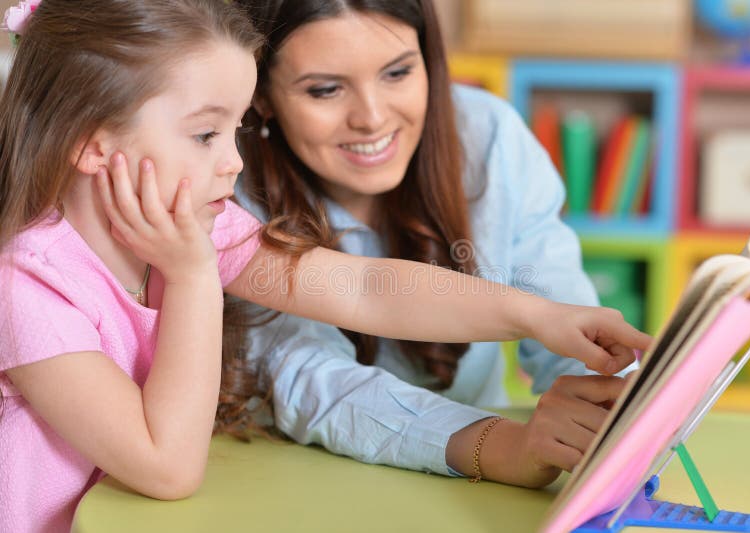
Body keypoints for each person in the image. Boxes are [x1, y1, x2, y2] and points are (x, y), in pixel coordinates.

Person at [0, 1, 649, 531]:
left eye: (233, 130)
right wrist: (195, 277)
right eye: (205, 135)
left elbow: (364, 286)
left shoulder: (199, 224)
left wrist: (539, 313)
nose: (232, 161)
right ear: (91, 144)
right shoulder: (28, 289)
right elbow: (167, 466)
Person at [228, 0, 646, 490]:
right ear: (260, 95)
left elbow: (567, 316)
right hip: (299, 478)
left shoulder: (490, 137)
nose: (372, 117)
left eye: (398, 72)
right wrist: (503, 446)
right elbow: (304, 378)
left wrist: (613, 403)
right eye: (325, 89)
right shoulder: (226, 182)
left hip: (482, 481)